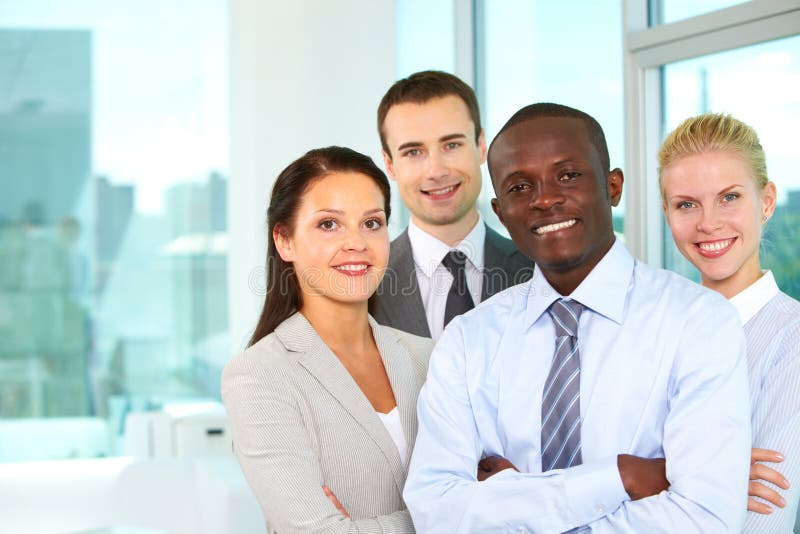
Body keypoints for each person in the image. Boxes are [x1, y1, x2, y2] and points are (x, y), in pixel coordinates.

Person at [403, 103, 752, 532]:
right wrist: (619, 477)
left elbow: (705, 520)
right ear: (500, 212)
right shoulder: (467, 342)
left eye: (568, 176)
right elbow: (437, 515)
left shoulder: (699, 324)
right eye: (519, 187)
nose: (545, 199)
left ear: (613, 186)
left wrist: (513, 498)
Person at [222, 146, 433, 533]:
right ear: (284, 241)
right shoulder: (259, 376)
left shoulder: (429, 357)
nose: (356, 243)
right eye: (328, 225)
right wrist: (450, 515)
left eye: (372, 223)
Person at [659, 112, 800, 533]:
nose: (708, 222)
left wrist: (650, 477)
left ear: (768, 201)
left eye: (729, 197)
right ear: (667, 212)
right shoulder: (651, 333)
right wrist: (699, 477)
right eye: (686, 204)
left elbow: (765, 523)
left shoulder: (792, 339)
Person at [369, 70, 533, 340]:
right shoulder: (366, 284)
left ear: (481, 146)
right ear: (389, 164)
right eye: (413, 152)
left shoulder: (538, 270)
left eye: (452, 145)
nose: (435, 170)